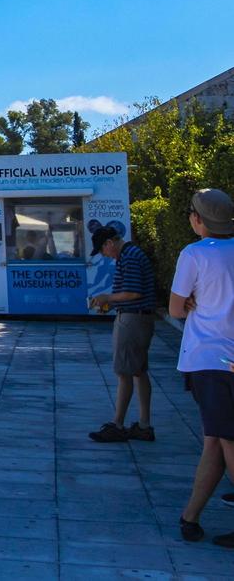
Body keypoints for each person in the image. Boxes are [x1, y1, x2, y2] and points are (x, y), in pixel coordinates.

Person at [170, 188, 234, 545]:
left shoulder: (194, 254)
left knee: (226, 441)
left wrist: (192, 301)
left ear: (198, 219)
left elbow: (176, 309)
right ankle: (190, 516)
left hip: (210, 361)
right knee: (215, 440)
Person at [88, 226, 157, 442]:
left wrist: (107, 298)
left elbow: (133, 292)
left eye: (102, 250)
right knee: (138, 371)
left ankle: (117, 424)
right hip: (138, 316)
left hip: (132, 319)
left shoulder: (130, 257)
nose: (104, 255)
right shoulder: (131, 254)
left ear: (109, 243)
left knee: (124, 372)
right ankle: (144, 425)